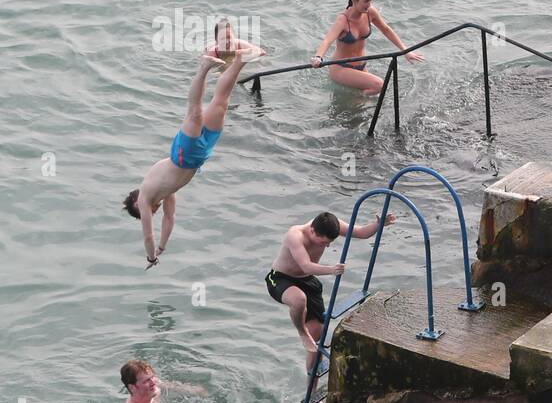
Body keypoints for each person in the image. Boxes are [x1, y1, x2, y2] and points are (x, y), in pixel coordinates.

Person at [123, 52, 249, 268]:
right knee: (221, 104)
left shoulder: (144, 198)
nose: (154, 211)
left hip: (182, 156)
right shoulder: (166, 193)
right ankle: (242, 59)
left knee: (194, 113)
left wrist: (151, 256)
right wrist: (162, 247)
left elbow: (147, 235)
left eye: (151, 211)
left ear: (138, 204)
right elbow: (170, 220)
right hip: (200, 156)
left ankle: (204, 68)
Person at [266, 211, 395, 371]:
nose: (326, 246)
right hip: (280, 279)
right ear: (312, 231)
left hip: (308, 281)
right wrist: (332, 270)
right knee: (299, 300)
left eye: (329, 243)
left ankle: (310, 385)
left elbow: (361, 233)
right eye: (323, 243)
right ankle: (302, 332)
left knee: (317, 338)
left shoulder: (332, 225)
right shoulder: (295, 235)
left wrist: (379, 224)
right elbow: (305, 265)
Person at [310, 0, 424, 95]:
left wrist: (405, 51)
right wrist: (318, 57)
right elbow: (327, 40)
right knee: (379, 85)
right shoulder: (343, 20)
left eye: (370, 0)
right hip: (341, 68)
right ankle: (356, 99)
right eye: (366, 1)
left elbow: (386, 30)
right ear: (354, 0)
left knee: (367, 100)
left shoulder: (370, 12)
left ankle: (357, 100)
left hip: (361, 66)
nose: (369, 5)